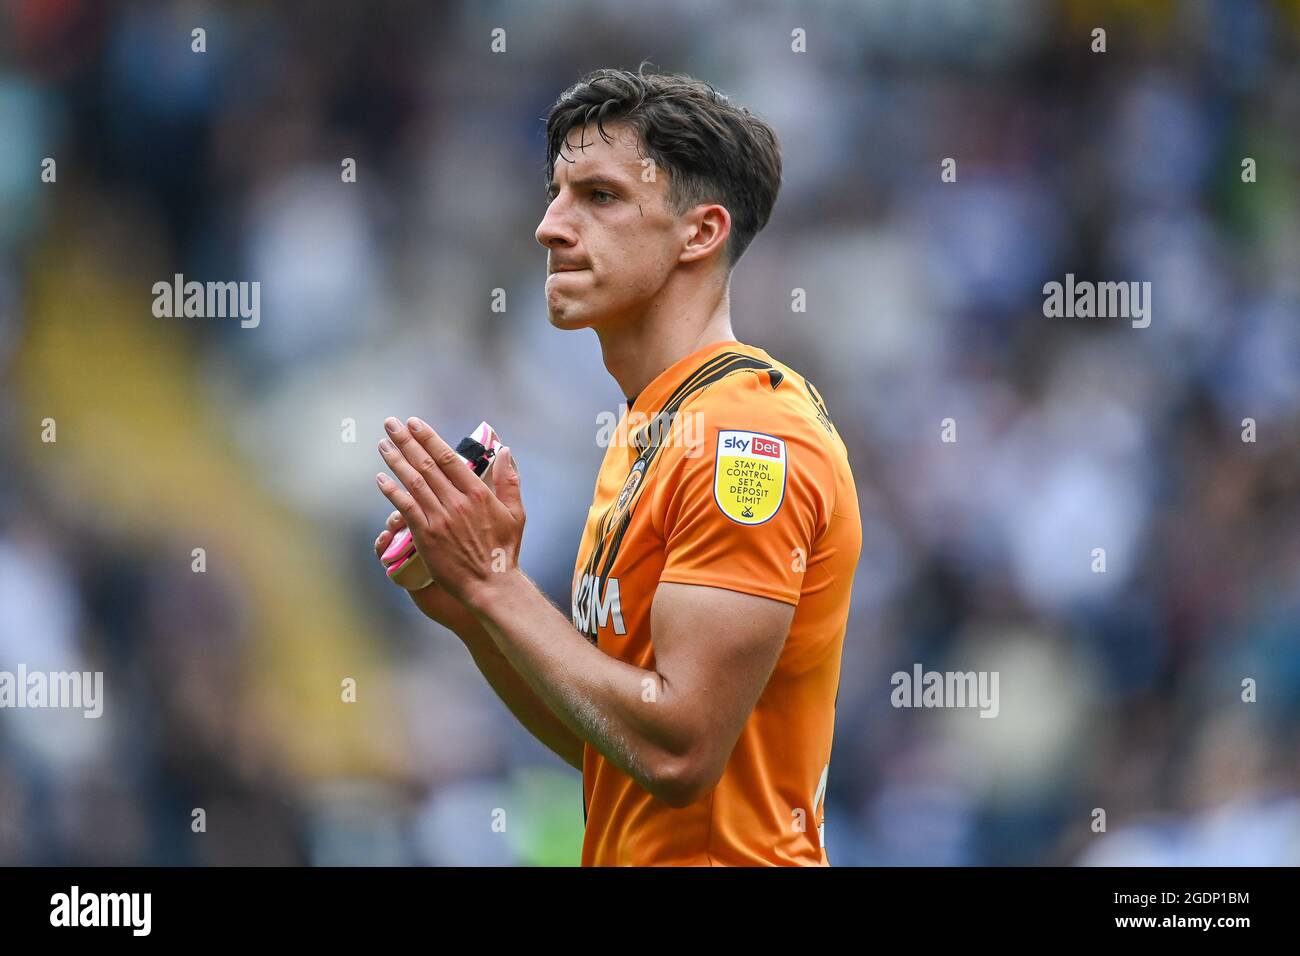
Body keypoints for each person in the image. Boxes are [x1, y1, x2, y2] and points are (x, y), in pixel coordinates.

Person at [373, 66, 861, 865]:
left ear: (700, 233)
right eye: (556, 193)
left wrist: (499, 581)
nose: (550, 227)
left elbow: (680, 751)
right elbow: (614, 750)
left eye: (598, 197)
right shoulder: (649, 433)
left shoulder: (748, 436)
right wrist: (469, 604)